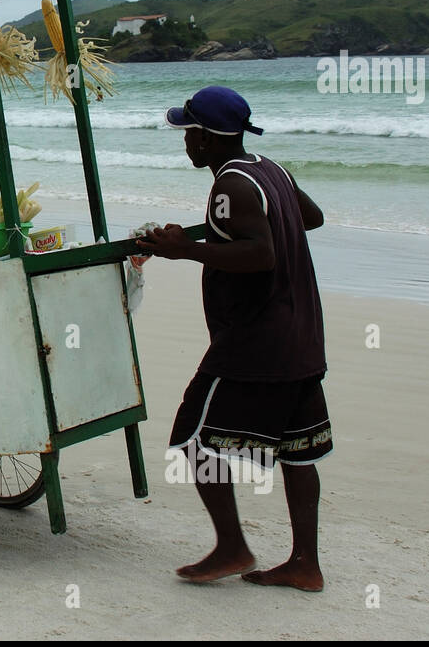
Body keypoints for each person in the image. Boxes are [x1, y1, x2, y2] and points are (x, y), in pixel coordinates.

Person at [136, 85, 332, 592]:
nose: (184, 142)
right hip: (303, 335)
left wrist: (184, 252)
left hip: (256, 340)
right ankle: (305, 564)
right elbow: (310, 217)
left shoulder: (230, 185)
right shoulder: (269, 169)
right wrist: (204, 234)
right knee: (297, 450)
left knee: (193, 435)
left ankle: (231, 547)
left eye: (187, 132)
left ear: (204, 138)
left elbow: (259, 254)